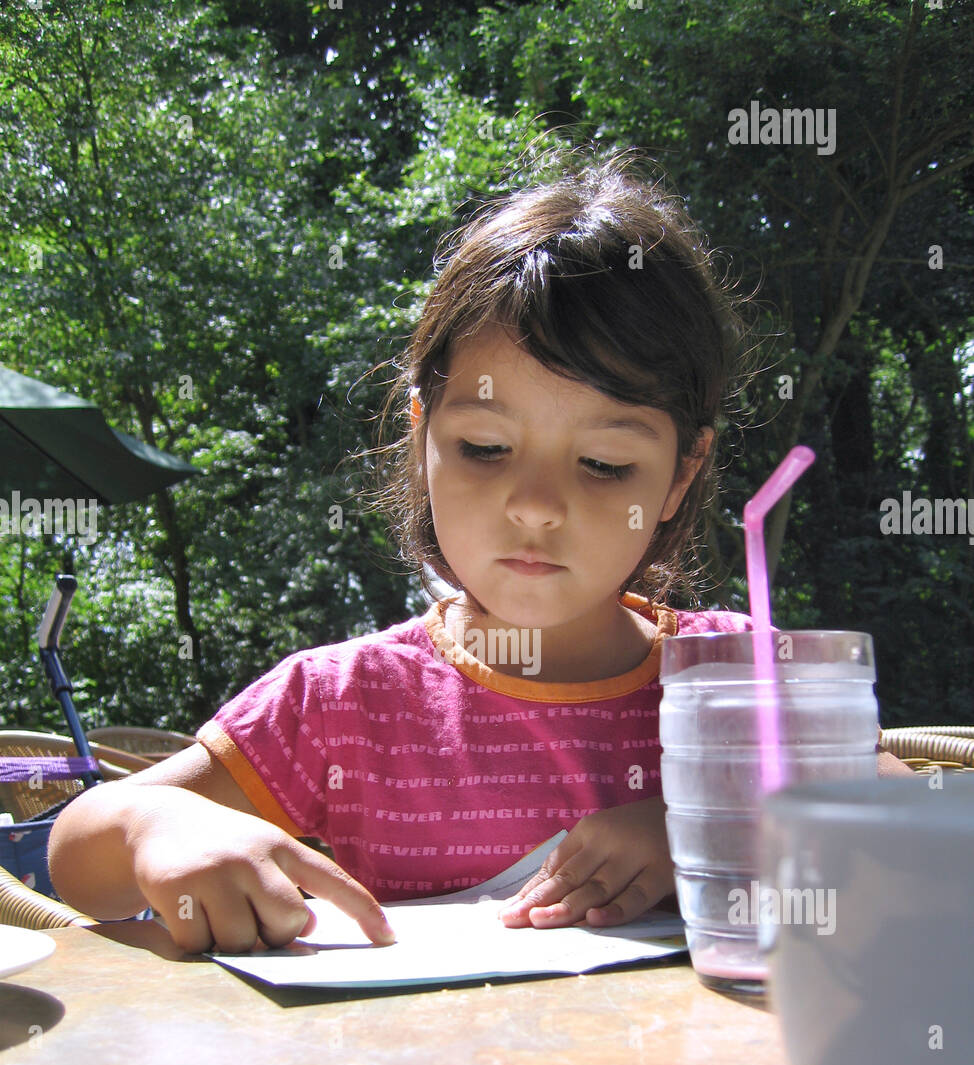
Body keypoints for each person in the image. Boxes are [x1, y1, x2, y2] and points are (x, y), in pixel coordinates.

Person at [47, 149, 906, 953]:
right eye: (485, 449)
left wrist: (704, 823)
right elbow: (80, 849)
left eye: (605, 465)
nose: (535, 506)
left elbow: (899, 808)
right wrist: (159, 829)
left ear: (681, 477)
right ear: (423, 439)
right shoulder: (342, 702)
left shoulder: (728, 675)